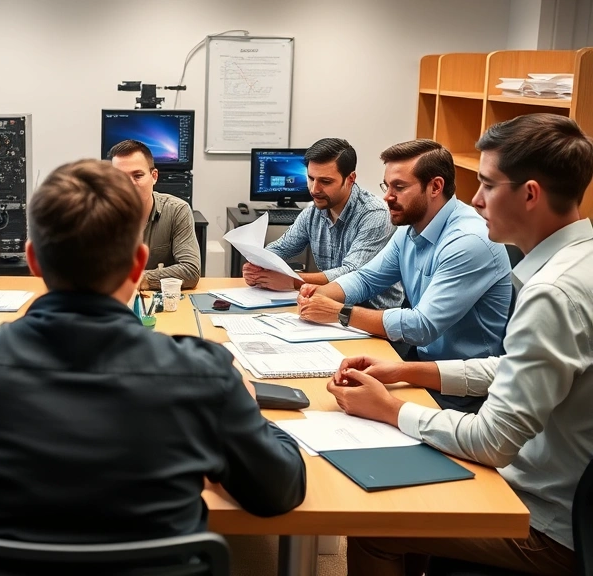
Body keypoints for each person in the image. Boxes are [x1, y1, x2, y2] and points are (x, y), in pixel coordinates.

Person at [0, 159, 305, 543]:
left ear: (33, 261)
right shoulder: (204, 374)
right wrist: (250, 406)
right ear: (139, 264)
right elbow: (278, 492)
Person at [329, 114, 593, 576]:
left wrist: (390, 409)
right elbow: (515, 367)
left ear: (530, 194)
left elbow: (492, 441)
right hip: (561, 495)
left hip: (544, 521)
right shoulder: (578, 262)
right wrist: (407, 372)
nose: (475, 199)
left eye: (487, 185)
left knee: (374, 522)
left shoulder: (552, 293)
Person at [297, 139, 512, 412]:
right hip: (422, 365)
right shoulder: (411, 228)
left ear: (435, 187)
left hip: (463, 388)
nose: (387, 197)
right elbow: (366, 278)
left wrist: (339, 312)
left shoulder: (468, 241)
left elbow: (421, 326)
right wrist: (318, 296)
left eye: (399, 187)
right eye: (386, 186)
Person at [242, 138, 403, 310]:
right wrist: (258, 266)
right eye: (311, 178)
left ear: (350, 179)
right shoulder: (313, 212)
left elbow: (352, 272)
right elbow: (282, 247)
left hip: (373, 313)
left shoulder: (375, 214)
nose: (314, 189)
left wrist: (293, 281)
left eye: (325, 182)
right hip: (330, 305)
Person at [109, 140, 201, 289]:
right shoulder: (100, 214)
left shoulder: (177, 210)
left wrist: (138, 279)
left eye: (137, 176)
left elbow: (190, 271)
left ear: (154, 176)